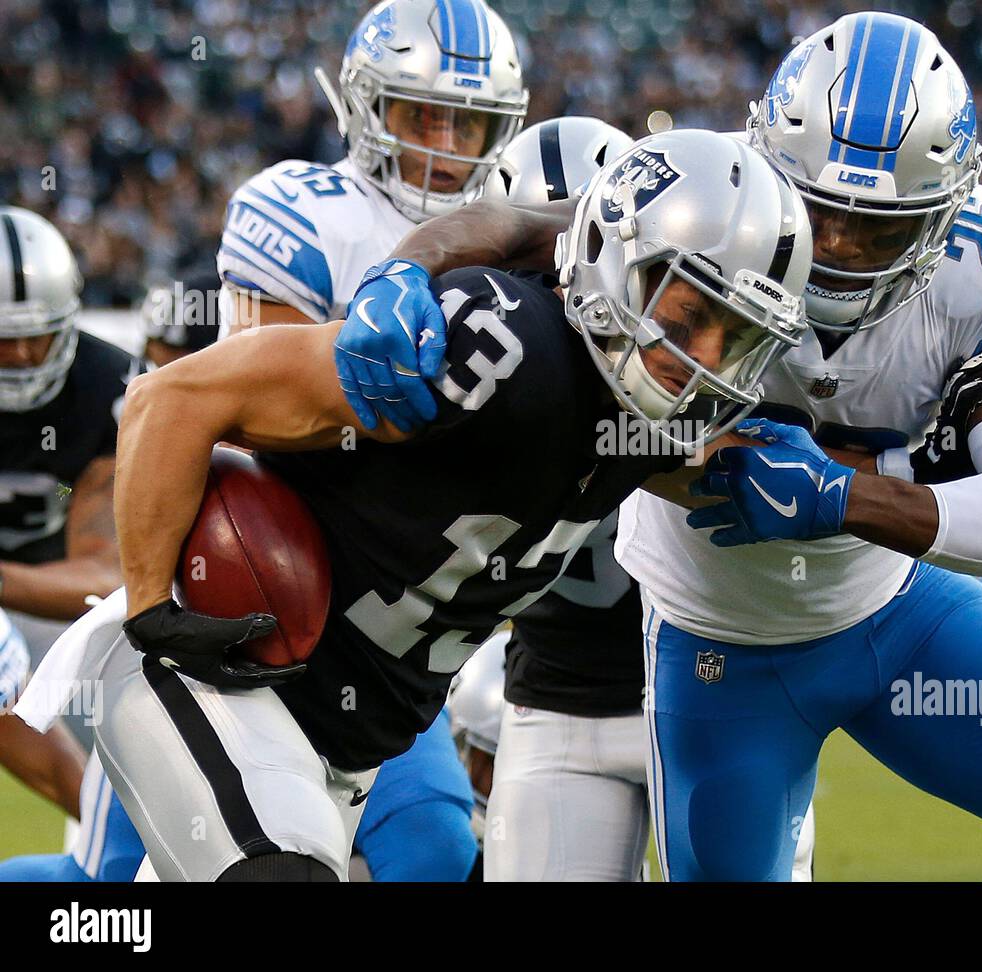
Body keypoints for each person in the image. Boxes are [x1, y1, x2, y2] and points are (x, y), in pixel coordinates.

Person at [344, 12, 982, 881]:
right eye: (821, 214)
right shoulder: (712, 196)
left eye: (879, 230)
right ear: (767, 164)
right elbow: (520, 228)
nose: (838, 252)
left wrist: (838, 497)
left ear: (944, 217)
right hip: (720, 647)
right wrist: (404, 267)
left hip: (901, 614)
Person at [20, 129, 813, 882]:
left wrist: (835, 482)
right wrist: (154, 605)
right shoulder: (496, 351)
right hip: (216, 673)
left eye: (737, 335)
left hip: (350, 747)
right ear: (622, 268)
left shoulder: (661, 418)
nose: (702, 357)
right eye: (690, 312)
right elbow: (174, 398)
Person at [214, 0, 530, 880]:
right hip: (262, 598)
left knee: (429, 844)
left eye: (467, 121)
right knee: (146, 876)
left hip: (403, 630)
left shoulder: (528, 236)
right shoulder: (305, 210)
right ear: (363, 107)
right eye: (418, 112)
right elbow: (260, 421)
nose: (441, 141)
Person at [0, 206, 136, 870]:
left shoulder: (104, 388)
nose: (24, 357)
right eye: (5, 341)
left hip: (68, 617)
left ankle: (123, 852)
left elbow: (110, 574)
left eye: (40, 337)